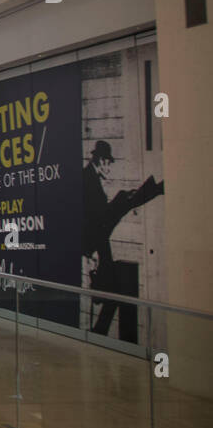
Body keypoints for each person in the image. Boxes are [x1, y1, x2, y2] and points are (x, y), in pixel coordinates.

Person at [82, 140, 163, 342]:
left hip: (99, 241)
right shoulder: (87, 179)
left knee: (114, 289)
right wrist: (90, 254)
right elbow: (94, 218)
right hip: (96, 242)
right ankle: (99, 332)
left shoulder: (90, 176)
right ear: (101, 160)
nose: (110, 168)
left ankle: (99, 331)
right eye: (109, 163)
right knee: (113, 290)